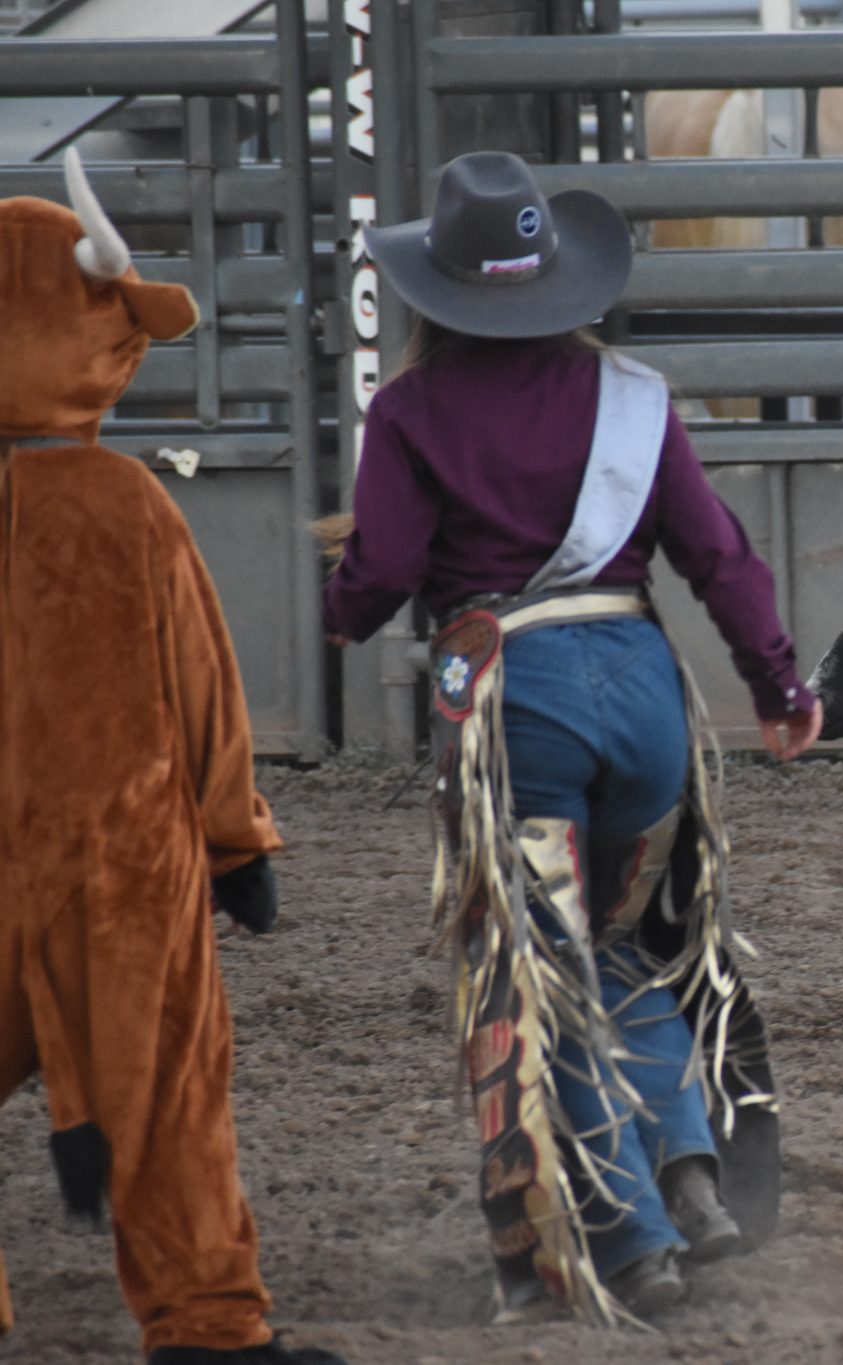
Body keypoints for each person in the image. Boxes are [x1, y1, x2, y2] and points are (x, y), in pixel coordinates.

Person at [321, 151, 820, 1325]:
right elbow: (719, 555)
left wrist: (342, 613)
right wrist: (777, 681)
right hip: (644, 697)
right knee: (617, 945)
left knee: (537, 976)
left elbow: (384, 569)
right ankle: (691, 1178)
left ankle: (632, 1240)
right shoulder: (635, 400)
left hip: (517, 709)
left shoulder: (407, 410)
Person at [0, 153, 346, 1364]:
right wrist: (237, 840)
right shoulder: (129, 502)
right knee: (170, 1100)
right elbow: (205, 692)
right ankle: (204, 1324)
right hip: (124, 869)